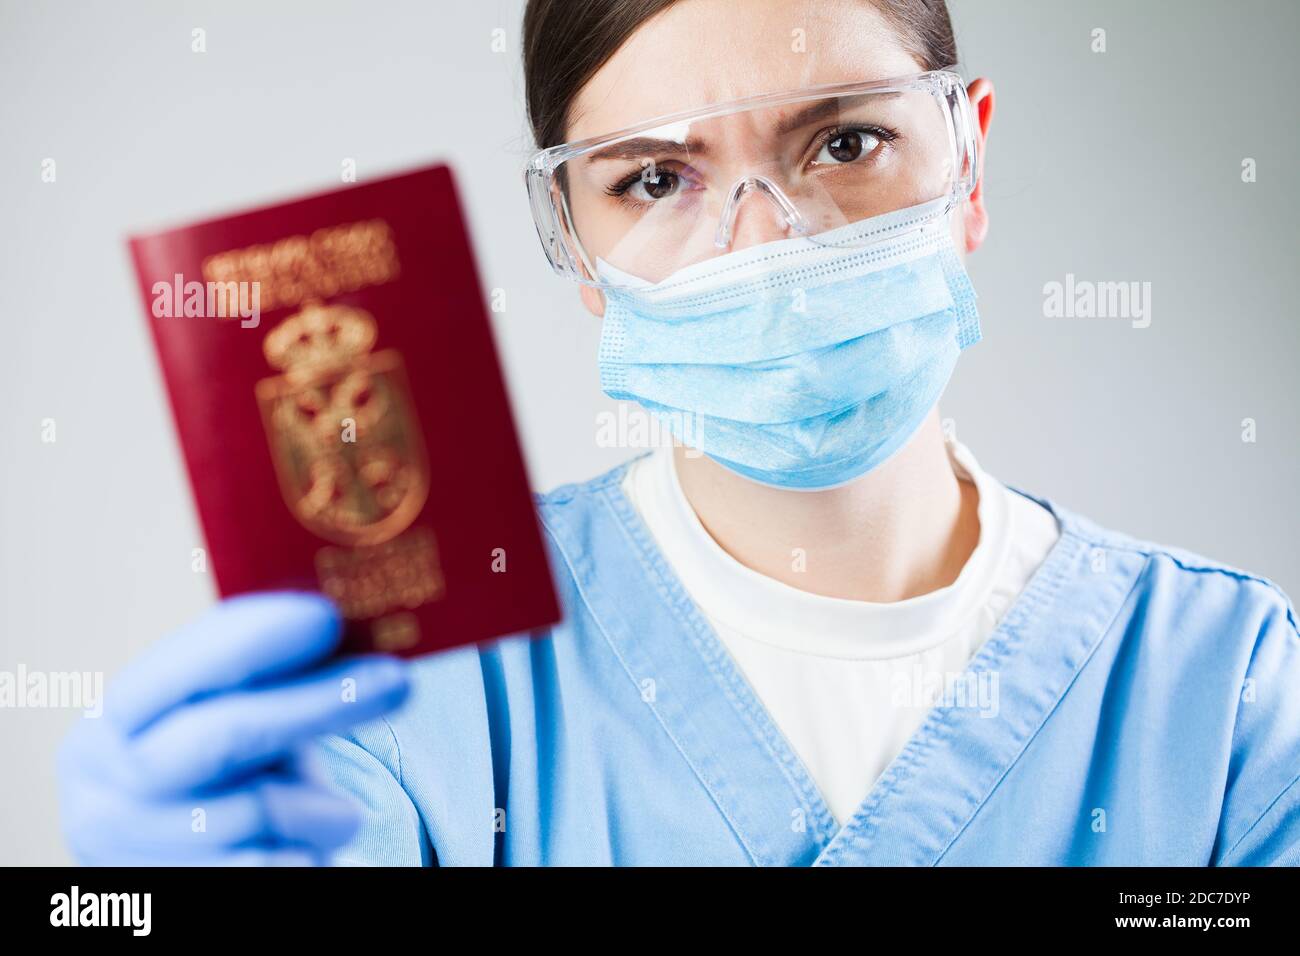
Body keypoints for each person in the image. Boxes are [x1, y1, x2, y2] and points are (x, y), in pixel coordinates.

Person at [59, 0, 1300, 866]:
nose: (767, 242)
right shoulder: (425, 673)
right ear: (575, 240)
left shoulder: (1226, 687)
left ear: (967, 160)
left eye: (846, 141)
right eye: (655, 177)